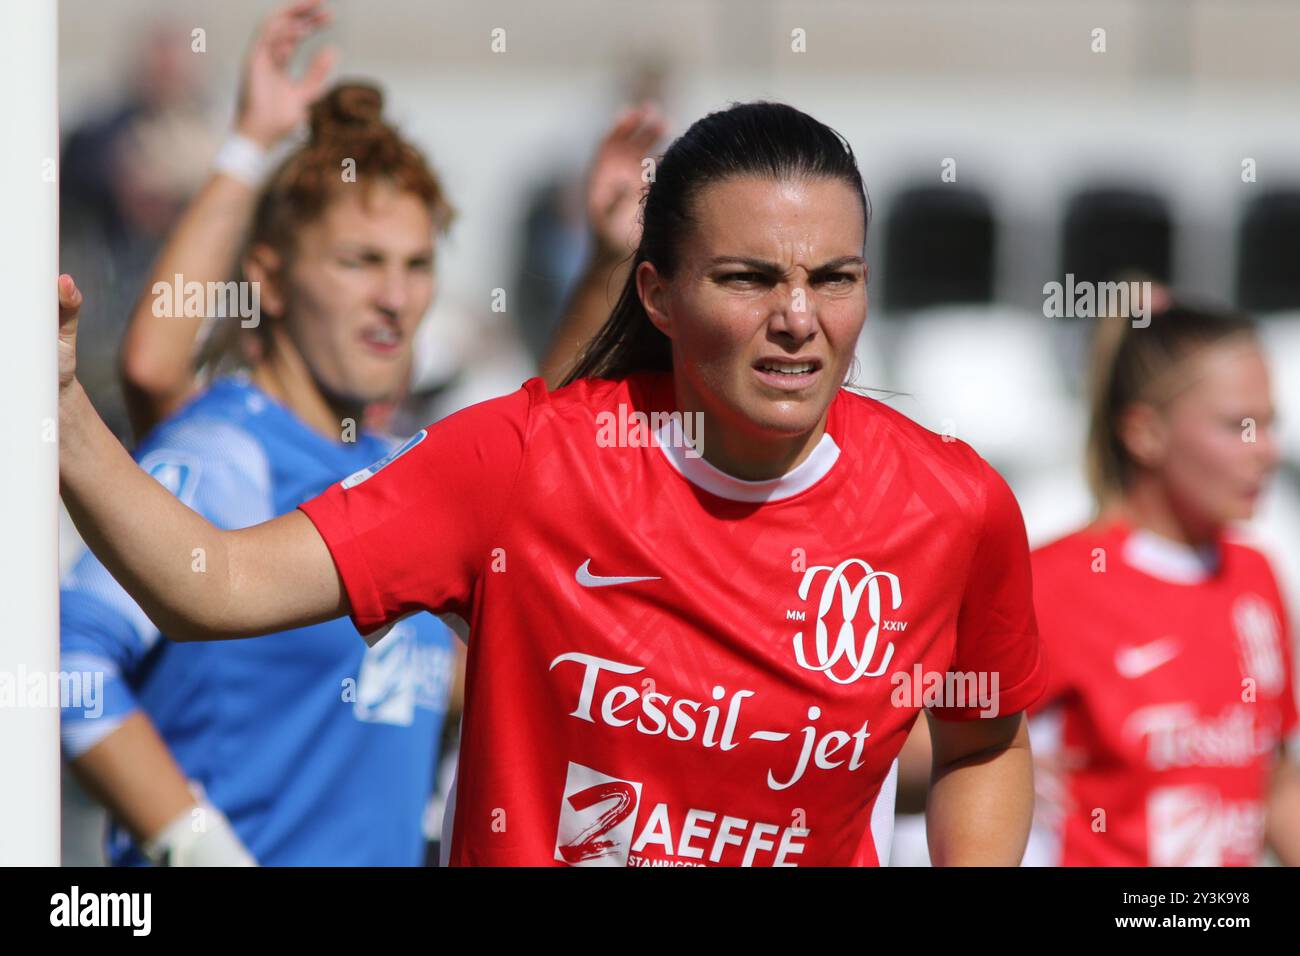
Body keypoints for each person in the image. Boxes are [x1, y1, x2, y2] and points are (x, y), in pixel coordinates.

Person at [59, 100, 1047, 866]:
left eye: (834, 276)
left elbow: (983, 743)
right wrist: (54, 408)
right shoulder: (520, 465)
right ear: (656, 292)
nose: (798, 316)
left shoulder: (953, 504)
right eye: (747, 277)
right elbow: (212, 584)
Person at [60, 2, 459, 866]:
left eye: (417, 264)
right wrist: (191, 842)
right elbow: (59, 660)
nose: (395, 296)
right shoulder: (223, 454)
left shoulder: (409, 472)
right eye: (360, 262)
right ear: (269, 282)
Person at [1023, 298, 1300, 866]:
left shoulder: (1257, 575)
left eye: (1270, 424)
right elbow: (922, 737)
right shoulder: (1055, 579)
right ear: (1144, 434)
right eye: (1237, 426)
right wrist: (999, 759)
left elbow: (1272, 778)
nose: (1266, 451)